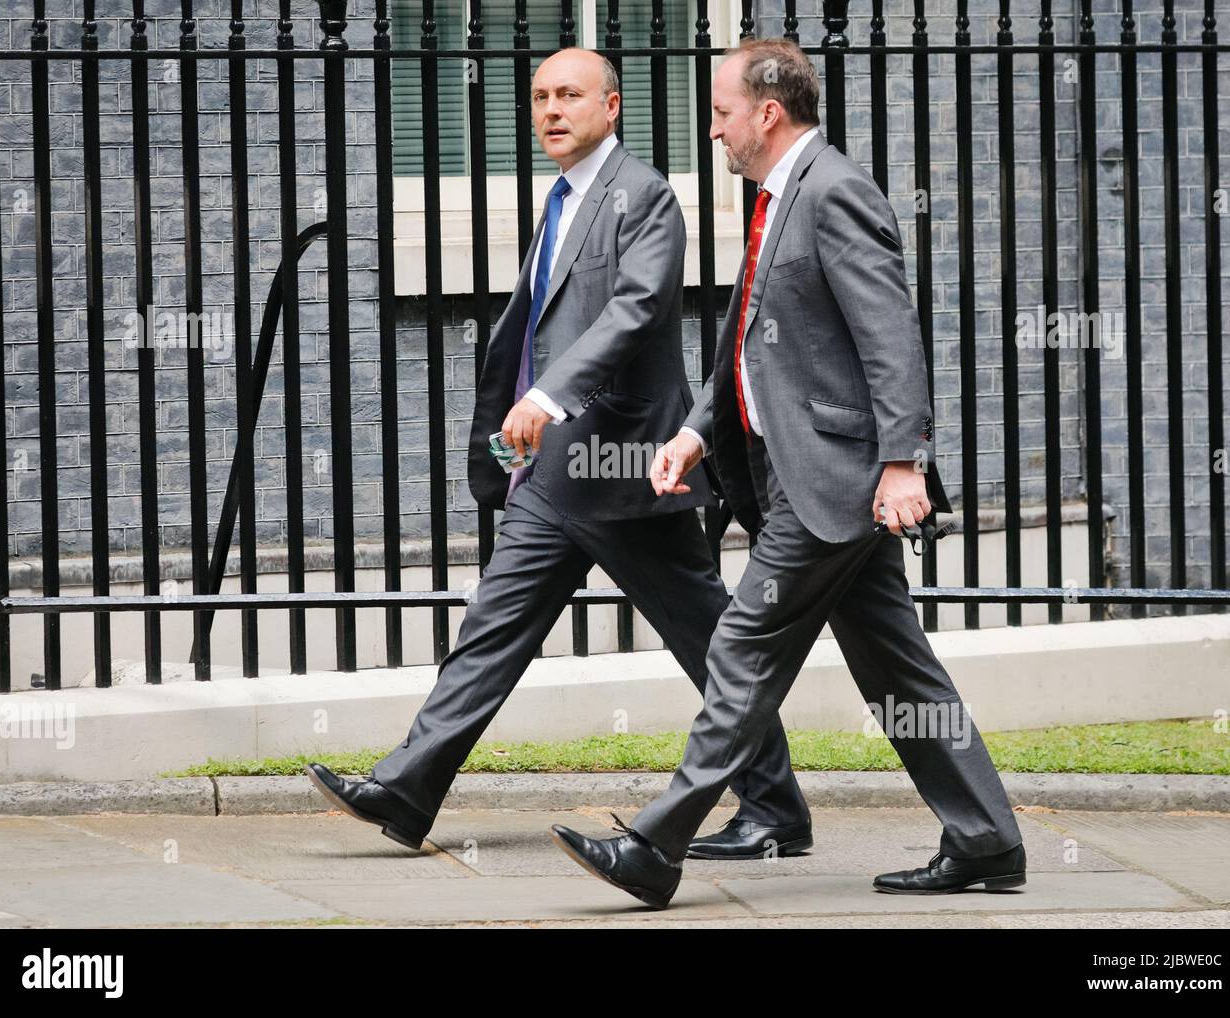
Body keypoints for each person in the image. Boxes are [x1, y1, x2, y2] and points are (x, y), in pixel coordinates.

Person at [549, 38, 1026, 909]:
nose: (715, 131)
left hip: (835, 482)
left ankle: (656, 845)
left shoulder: (834, 191)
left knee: (739, 649)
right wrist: (696, 436)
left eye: (724, 113)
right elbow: (750, 347)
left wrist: (900, 465)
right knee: (899, 670)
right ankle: (987, 839)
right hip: (798, 477)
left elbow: (891, 342)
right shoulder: (777, 198)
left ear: (769, 113)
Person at [305, 47, 812, 859]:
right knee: (491, 627)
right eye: (540, 96)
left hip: (627, 471)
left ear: (611, 107)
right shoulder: (561, 199)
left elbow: (636, 312)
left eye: (569, 95)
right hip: (553, 476)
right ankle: (408, 787)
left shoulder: (644, 197)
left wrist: (547, 397)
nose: (550, 109)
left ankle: (776, 812)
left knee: (709, 641)